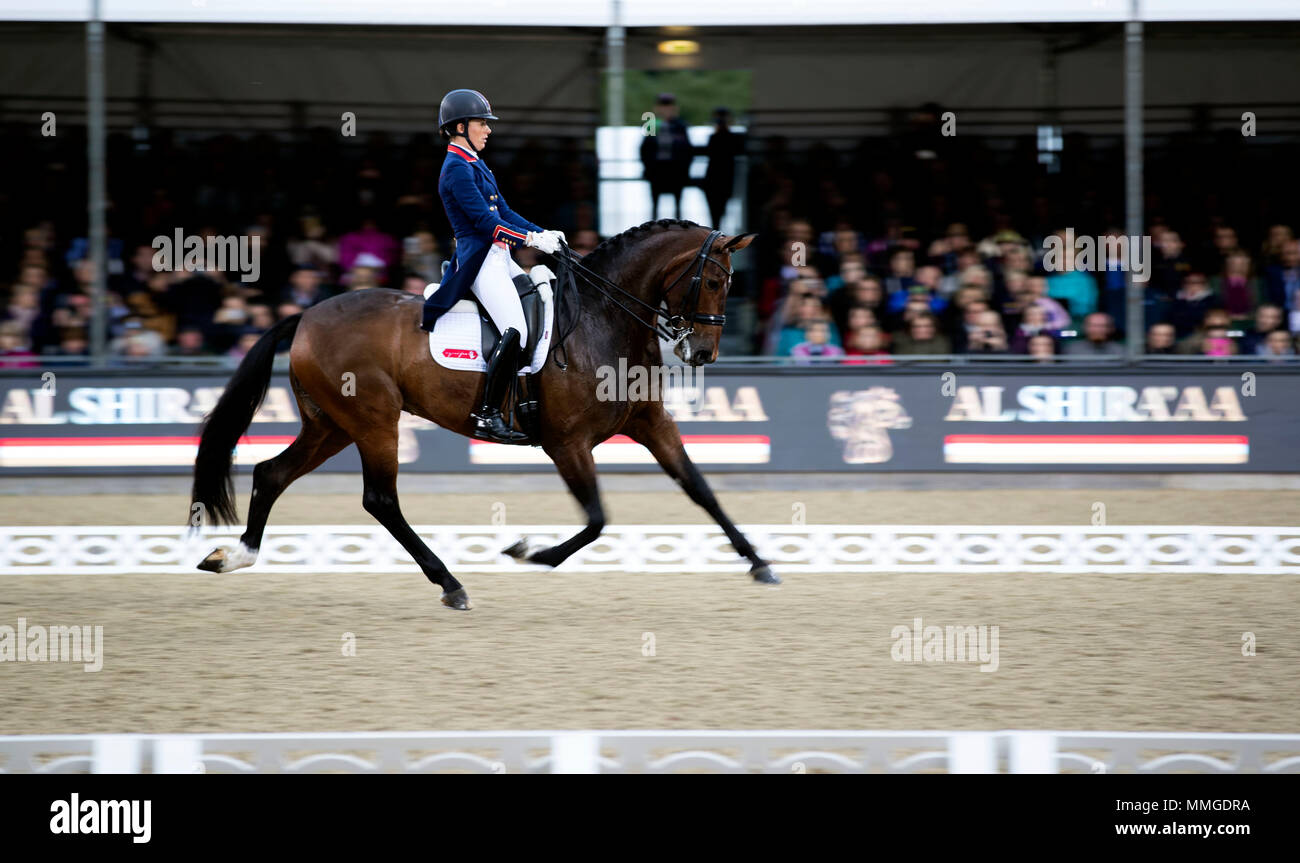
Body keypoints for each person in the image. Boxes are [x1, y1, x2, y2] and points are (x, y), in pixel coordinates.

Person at [421, 89, 565, 444]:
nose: (487, 130)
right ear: (459, 126)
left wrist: (541, 232)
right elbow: (487, 225)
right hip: (480, 259)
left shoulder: (475, 163)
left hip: (500, 257)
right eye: (482, 123)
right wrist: (530, 242)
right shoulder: (455, 168)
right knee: (515, 327)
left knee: (540, 306)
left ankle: (528, 401)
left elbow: (506, 213)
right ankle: (487, 414)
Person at [639, 93, 693, 220]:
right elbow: (645, 148)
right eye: (663, 106)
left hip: (676, 169)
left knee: (678, 205)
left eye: (668, 106)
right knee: (655, 204)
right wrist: (648, 167)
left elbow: (687, 149)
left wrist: (685, 168)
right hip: (657, 169)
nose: (666, 109)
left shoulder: (680, 125)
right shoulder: (653, 124)